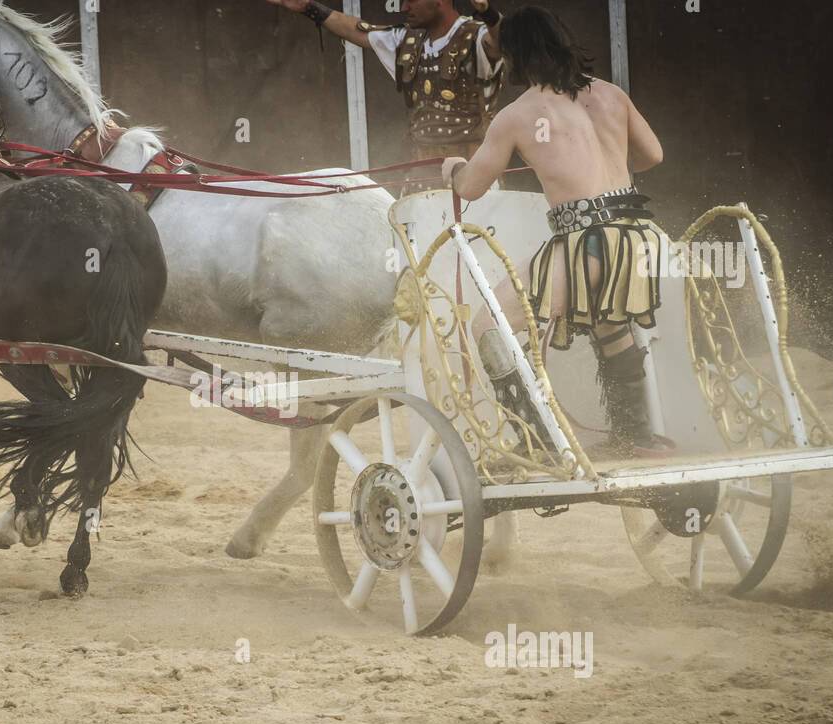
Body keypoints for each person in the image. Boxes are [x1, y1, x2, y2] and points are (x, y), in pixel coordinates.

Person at [440, 5, 667, 456]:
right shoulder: (610, 95)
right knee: (611, 326)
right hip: (638, 238)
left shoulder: (518, 115)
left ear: (516, 55)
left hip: (587, 242)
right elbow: (653, 155)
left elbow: (472, 187)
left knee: (488, 326)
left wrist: (453, 169)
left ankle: (536, 439)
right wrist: (612, 169)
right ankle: (636, 437)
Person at [267, 0, 505, 169]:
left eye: (411, 1)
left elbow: (501, 41)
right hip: (421, 174)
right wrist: (309, 7)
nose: (403, 7)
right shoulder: (407, 40)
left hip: (475, 174)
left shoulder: (476, 36)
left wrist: (488, 11)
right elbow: (357, 30)